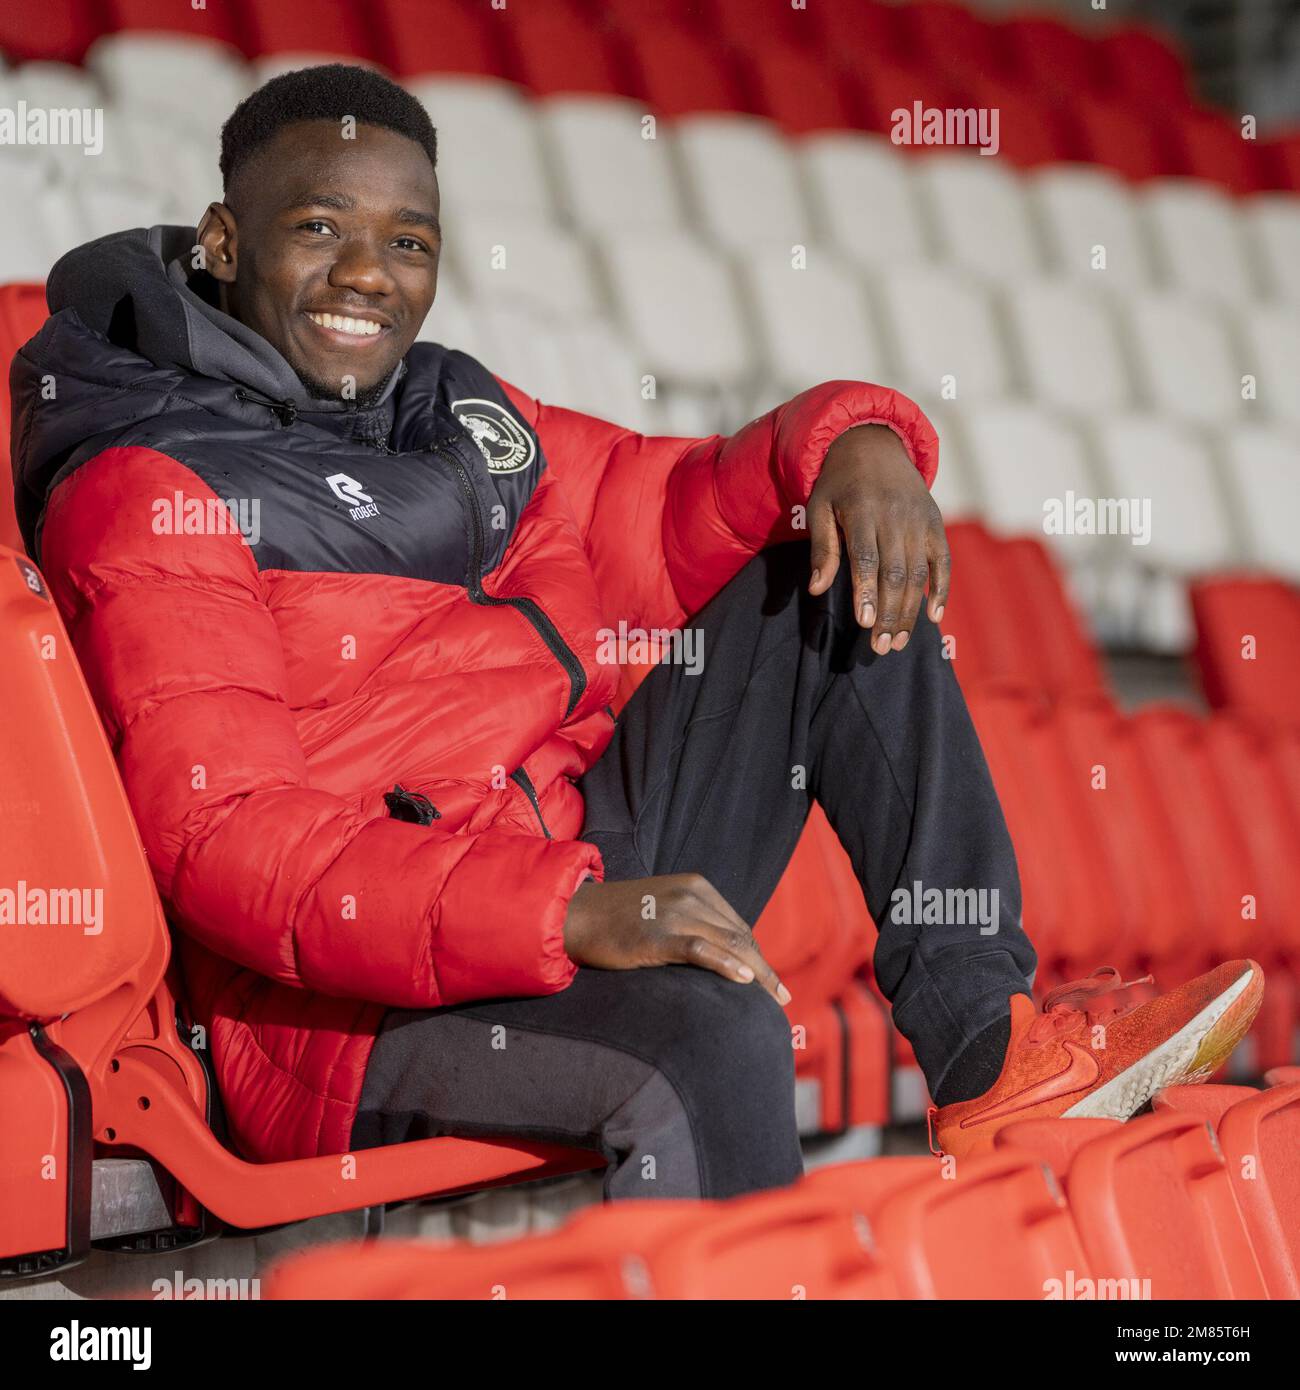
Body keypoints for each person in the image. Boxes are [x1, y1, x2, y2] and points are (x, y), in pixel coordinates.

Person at [10, 65, 1262, 1200]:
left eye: (407, 241)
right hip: (341, 1007)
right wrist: (557, 913)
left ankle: (990, 1057)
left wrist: (847, 439)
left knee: (827, 580)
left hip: (551, 860)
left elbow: (664, 507)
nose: (367, 274)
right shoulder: (150, 483)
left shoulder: (449, 413)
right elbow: (229, 844)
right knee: (709, 1036)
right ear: (224, 240)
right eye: (319, 228)